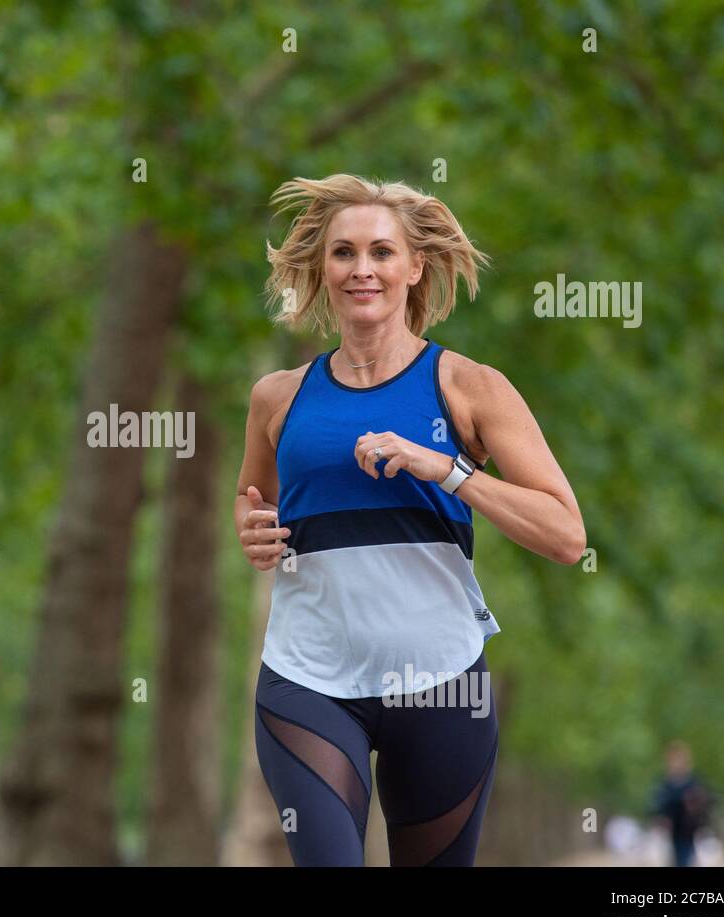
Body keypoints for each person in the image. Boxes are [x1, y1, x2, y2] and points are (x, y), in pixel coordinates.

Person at [235, 173, 585, 866]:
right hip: (308, 679)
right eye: (343, 253)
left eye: (381, 252)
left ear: (415, 265)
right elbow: (254, 504)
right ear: (320, 268)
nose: (362, 269)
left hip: (443, 681)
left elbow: (567, 534)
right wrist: (250, 531)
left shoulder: (467, 386)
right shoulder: (277, 397)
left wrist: (446, 468)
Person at [649, 741, 713, 867]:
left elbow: (706, 802)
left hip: (688, 829)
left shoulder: (694, 781)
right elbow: (658, 804)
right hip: (669, 830)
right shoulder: (665, 783)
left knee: (684, 859)